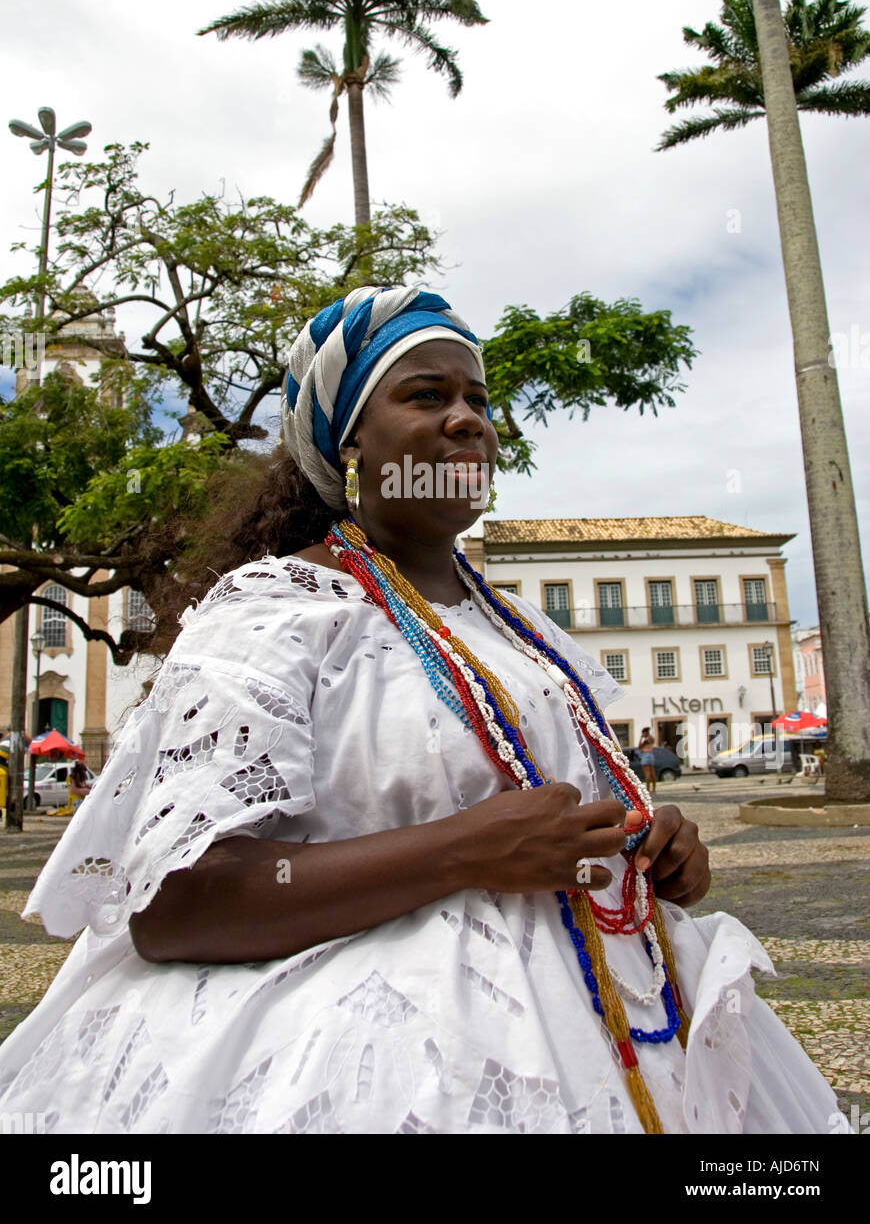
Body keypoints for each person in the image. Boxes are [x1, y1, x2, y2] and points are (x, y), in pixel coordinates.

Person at [0, 285, 847, 1135]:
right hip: (369, 1065)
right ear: (349, 442)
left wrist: (653, 848)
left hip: (618, 1026)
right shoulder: (271, 613)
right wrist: (465, 851)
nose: (468, 419)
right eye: (427, 395)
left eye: (479, 399)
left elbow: (564, 814)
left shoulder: (526, 636)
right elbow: (177, 906)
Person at [637, 726, 657, 797]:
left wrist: (642, 737)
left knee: (648, 774)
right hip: (650, 755)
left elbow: (639, 747)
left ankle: (649, 790)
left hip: (646, 755)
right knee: (651, 773)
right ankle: (653, 789)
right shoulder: (649, 739)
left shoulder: (647, 740)